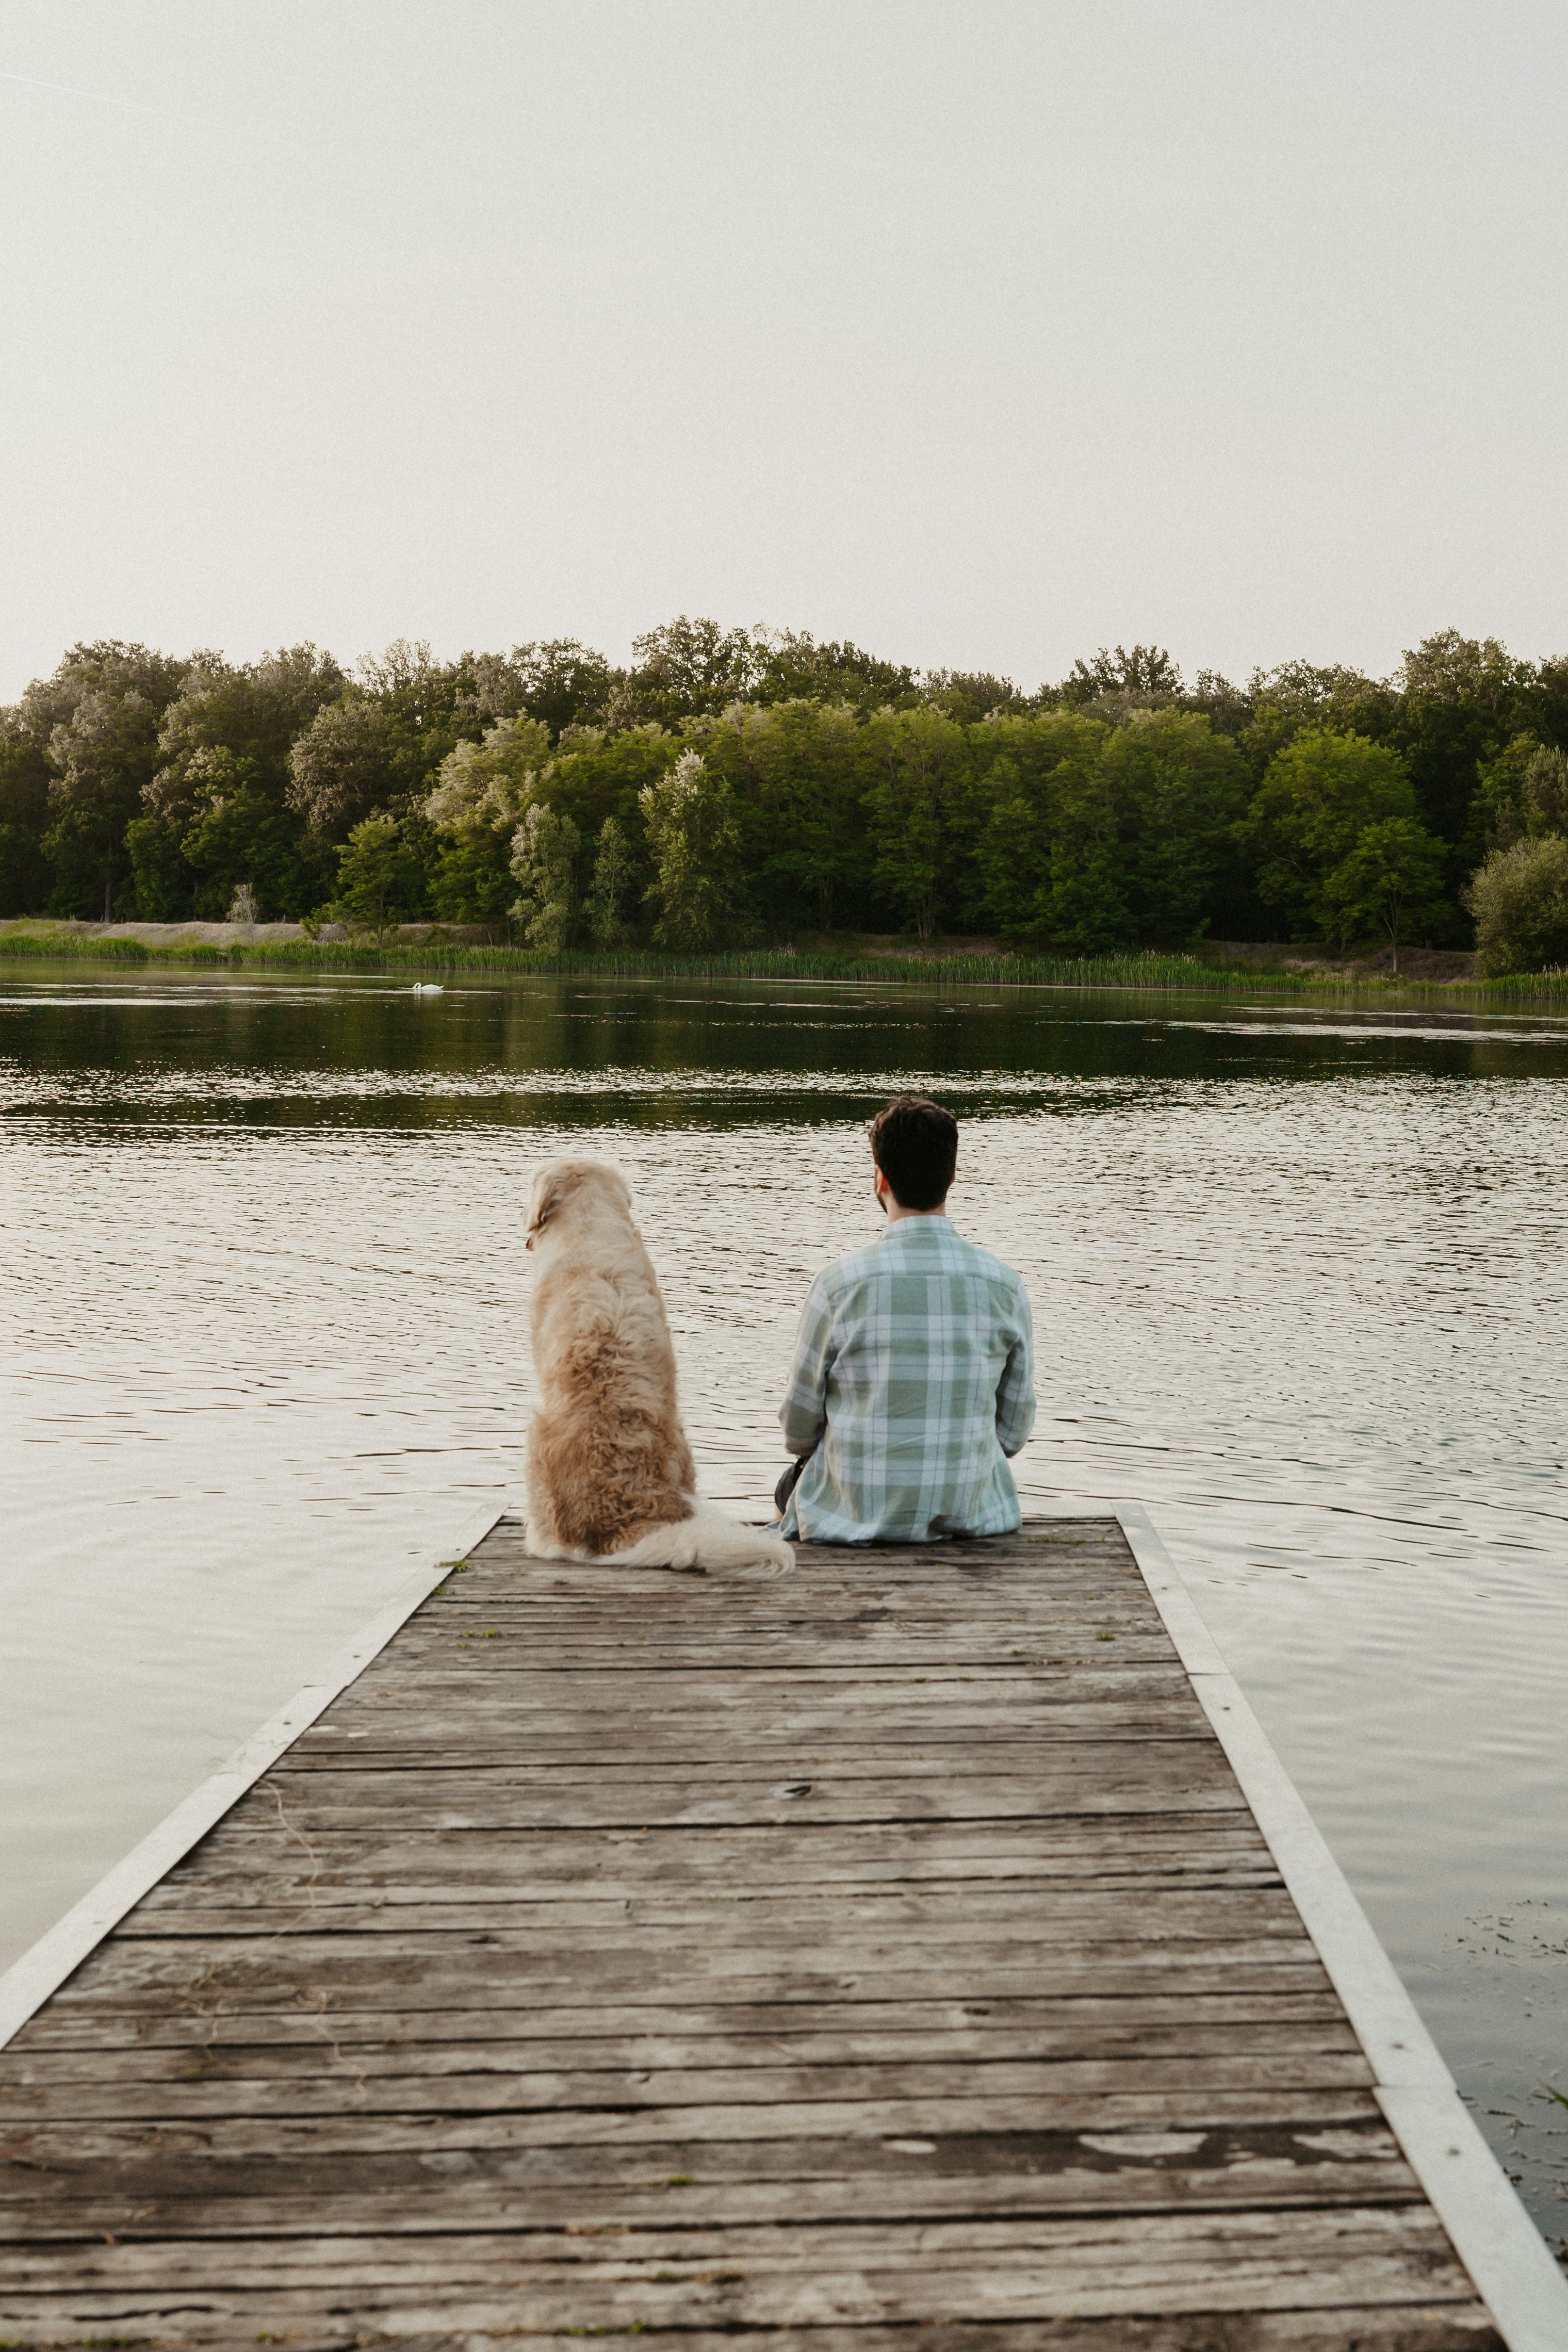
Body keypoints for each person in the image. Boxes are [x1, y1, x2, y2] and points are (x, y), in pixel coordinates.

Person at [776, 1094, 1035, 1543]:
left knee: (788, 1487)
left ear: (880, 1179)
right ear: (952, 1178)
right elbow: (1012, 1434)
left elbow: (799, 1430)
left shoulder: (837, 1285)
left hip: (852, 1516)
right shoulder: (1004, 1286)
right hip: (971, 1512)